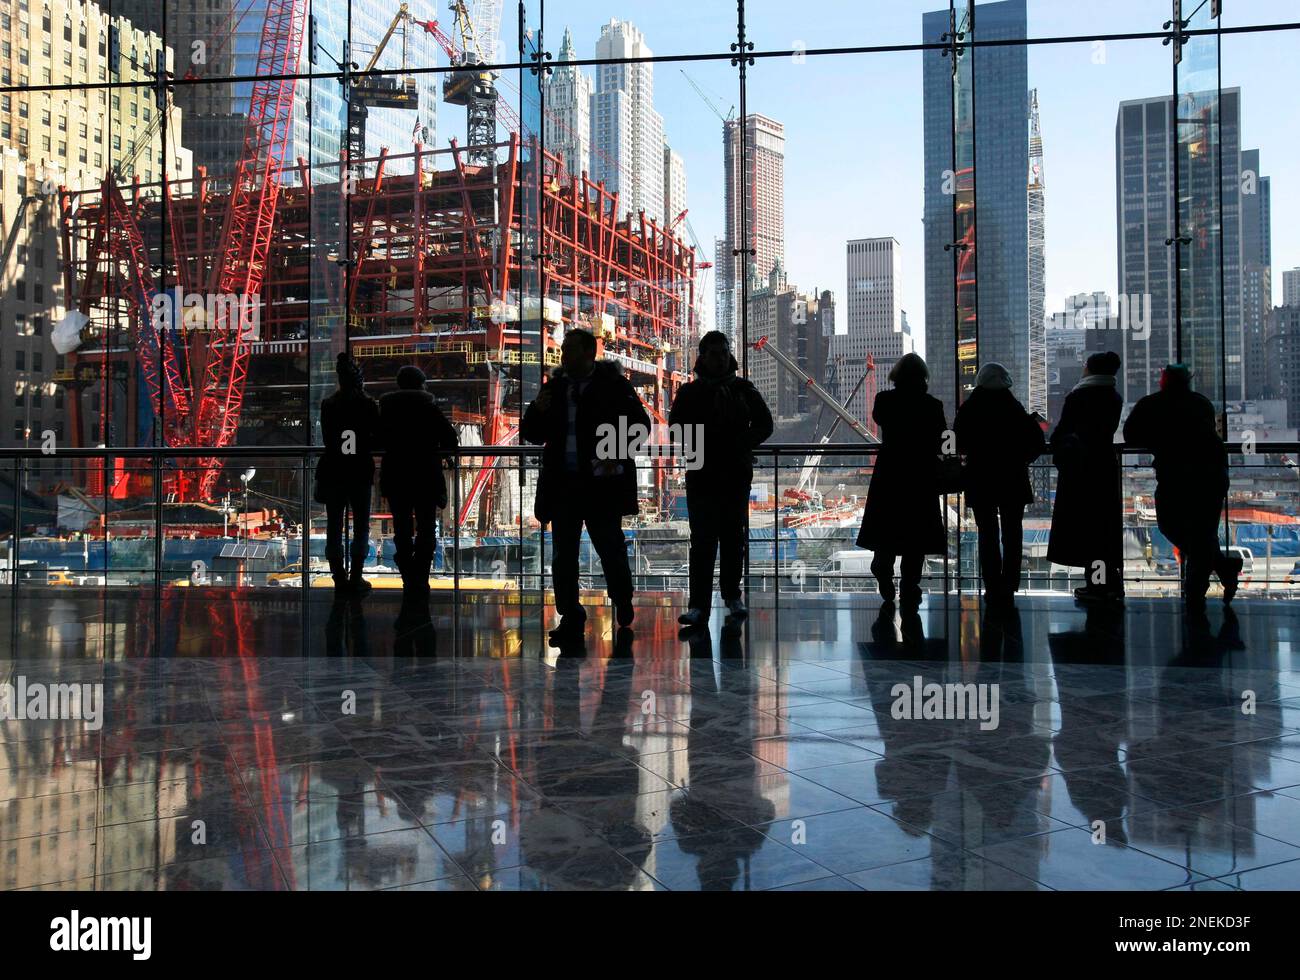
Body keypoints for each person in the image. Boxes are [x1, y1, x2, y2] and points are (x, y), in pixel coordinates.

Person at [521, 328, 650, 643]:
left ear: (589, 353)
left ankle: (621, 598)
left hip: (599, 486)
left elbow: (641, 426)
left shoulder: (614, 386)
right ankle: (570, 614)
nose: (563, 354)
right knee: (564, 555)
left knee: (609, 548)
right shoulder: (556, 388)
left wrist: (612, 455)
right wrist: (536, 409)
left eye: (570, 349)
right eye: (564, 349)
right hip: (565, 485)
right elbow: (533, 434)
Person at [668, 331, 773, 628]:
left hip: (715, 471)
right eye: (714, 353)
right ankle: (719, 600)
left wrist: (709, 443)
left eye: (723, 352)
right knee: (708, 540)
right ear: (703, 357)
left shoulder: (700, 392)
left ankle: (713, 601)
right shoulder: (739, 390)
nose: (720, 357)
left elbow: (677, 428)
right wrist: (741, 442)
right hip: (717, 472)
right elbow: (763, 425)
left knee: (728, 539)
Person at [1122, 363, 1241, 607]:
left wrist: (1157, 440)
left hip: (1176, 477)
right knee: (1203, 534)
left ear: (1163, 380)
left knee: (1173, 527)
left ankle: (1202, 589)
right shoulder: (1202, 403)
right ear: (1188, 381)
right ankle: (1216, 574)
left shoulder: (1151, 404)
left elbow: (1130, 435)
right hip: (1212, 475)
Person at [855, 352, 946, 608]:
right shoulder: (933, 405)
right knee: (915, 535)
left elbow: (879, 420)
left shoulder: (884, 400)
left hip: (891, 472)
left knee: (887, 527)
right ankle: (910, 585)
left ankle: (883, 571)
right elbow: (943, 440)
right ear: (923, 377)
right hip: (921, 474)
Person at [953, 362, 1045, 608]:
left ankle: (992, 585)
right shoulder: (1014, 408)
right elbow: (1037, 442)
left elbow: (957, 442)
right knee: (1013, 533)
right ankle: (1009, 585)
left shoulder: (969, 409)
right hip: (1012, 478)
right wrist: (1021, 459)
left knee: (987, 534)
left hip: (980, 478)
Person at [1048, 351, 1124, 603]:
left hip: (1079, 472)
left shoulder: (1078, 396)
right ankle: (1106, 583)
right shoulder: (1114, 397)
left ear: (1090, 370)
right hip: (1104, 469)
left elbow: (1061, 432)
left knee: (1085, 530)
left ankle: (1097, 587)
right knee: (1102, 530)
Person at [378, 365, 459, 597]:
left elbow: (376, 439)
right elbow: (450, 439)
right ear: (421, 384)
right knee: (426, 530)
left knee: (402, 531)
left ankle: (408, 579)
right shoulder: (429, 408)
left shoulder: (387, 410)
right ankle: (421, 578)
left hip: (396, 477)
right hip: (426, 477)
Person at [318, 352, 380, 596]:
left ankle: (338, 578)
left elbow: (327, 439)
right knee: (362, 526)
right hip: (359, 471)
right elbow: (376, 434)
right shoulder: (367, 404)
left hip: (335, 471)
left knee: (333, 527)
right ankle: (356, 576)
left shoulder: (328, 405)